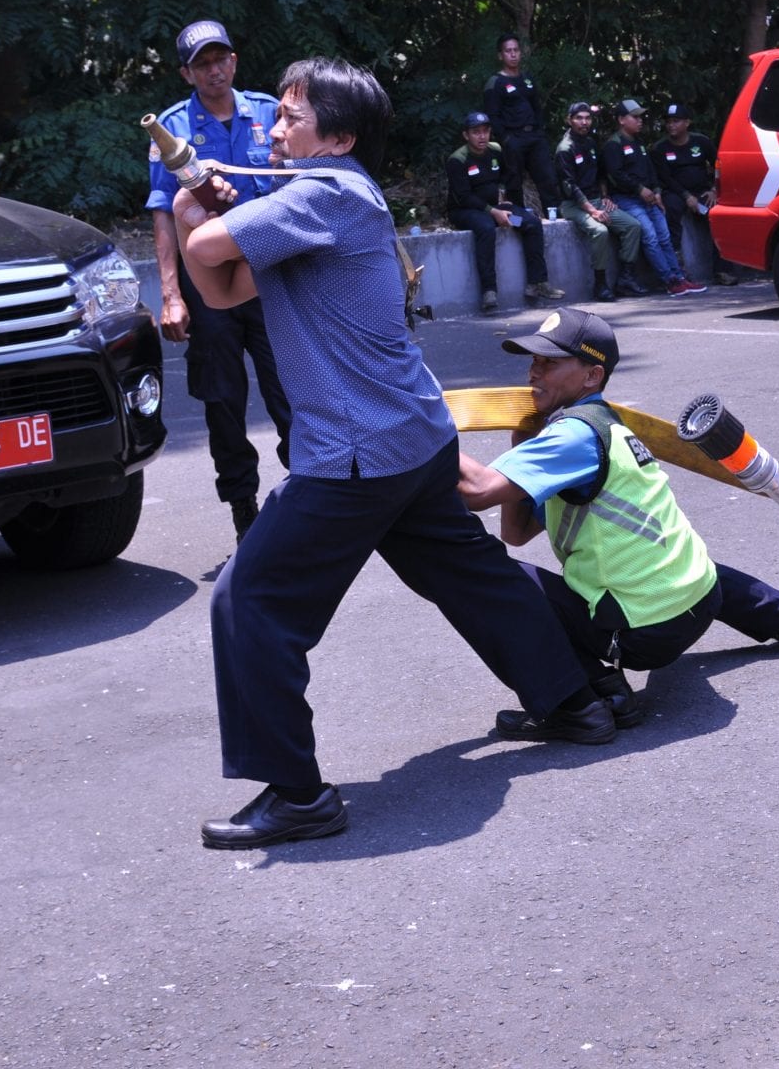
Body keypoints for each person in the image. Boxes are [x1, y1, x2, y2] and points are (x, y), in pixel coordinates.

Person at [173, 57, 615, 850]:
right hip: (409, 439)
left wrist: (202, 207)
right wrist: (186, 202)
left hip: (353, 455)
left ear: (339, 137)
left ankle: (299, 796)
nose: (273, 130)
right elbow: (223, 288)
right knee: (468, 574)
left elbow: (209, 247)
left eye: (292, 119)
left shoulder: (323, 192)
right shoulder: (321, 200)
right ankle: (574, 702)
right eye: (274, 117)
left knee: (252, 603)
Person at [455, 307, 779, 732]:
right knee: (684, 557)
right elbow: (516, 532)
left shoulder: (571, 437)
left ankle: (596, 689)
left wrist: (420, 427)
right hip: (700, 597)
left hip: (645, 633)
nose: (534, 372)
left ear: (591, 377)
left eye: (550, 362)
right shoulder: (611, 427)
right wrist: (520, 453)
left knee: (488, 579)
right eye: (533, 360)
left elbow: (476, 492)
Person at [148, 20, 294, 538]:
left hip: (265, 274)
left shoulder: (267, 112)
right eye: (201, 63)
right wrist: (170, 296)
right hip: (207, 284)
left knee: (291, 387)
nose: (214, 70)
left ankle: (309, 501)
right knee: (222, 399)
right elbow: (164, 213)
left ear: (234, 60)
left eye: (221, 58)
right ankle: (244, 512)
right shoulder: (171, 128)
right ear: (186, 72)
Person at [445, 110, 564, 314]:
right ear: (466, 135)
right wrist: (493, 212)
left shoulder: (496, 150)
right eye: (476, 132)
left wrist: (503, 199)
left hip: (496, 209)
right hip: (467, 211)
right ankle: (489, 292)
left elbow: (507, 175)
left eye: (485, 131)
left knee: (531, 223)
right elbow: (463, 196)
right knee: (486, 228)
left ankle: (537, 282)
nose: (482, 136)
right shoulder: (458, 159)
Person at [602, 99, 703, 297]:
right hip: (627, 199)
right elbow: (616, 174)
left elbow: (650, 170)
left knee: (664, 236)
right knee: (650, 236)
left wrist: (656, 191)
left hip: (649, 198)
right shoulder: (613, 145)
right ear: (622, 119)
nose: (640, 121)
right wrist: (640, 189)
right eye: (635, 117)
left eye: (641, 117)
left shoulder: (639, 143)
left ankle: (679, 276)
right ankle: (669, 280)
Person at [554, 101, 645, 301]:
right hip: (573, 205)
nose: (584, 122)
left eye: (587, 118)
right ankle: (600, 284)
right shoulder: (565, 149)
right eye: (579, 118)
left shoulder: (591, 143)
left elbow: (601, 174)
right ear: (569, 120)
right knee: (600, 231)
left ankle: (625, 279)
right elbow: (570, 187)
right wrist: (592, 211)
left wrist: (604, 197)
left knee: (633, 226)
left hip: (596, 199)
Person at [650, 102, 738, 286]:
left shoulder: (701, 142)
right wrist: (686, 196)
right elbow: (665, 178)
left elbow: (719, 165)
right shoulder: (660, 148)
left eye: (676, 121)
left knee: (717, 215)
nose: (671, 125)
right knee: (671, 210)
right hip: (675, 192)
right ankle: (678, 268)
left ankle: (723, 270)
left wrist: (715, 189)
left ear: (687, 123)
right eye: (669, 122)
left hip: (702, 191)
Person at [483, 33, 558, 209]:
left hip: (535, 137)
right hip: (513, 138)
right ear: (500, 55)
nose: (513, 54)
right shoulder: (495, 82)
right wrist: (506, 139)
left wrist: (540, 130)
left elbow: (536, 107)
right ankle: (518, 221)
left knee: (548, 178)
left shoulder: (527, 78)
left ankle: (555, 218)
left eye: (516, 50)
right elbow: (492, 116)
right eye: (508, 51)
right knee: (514, 181)